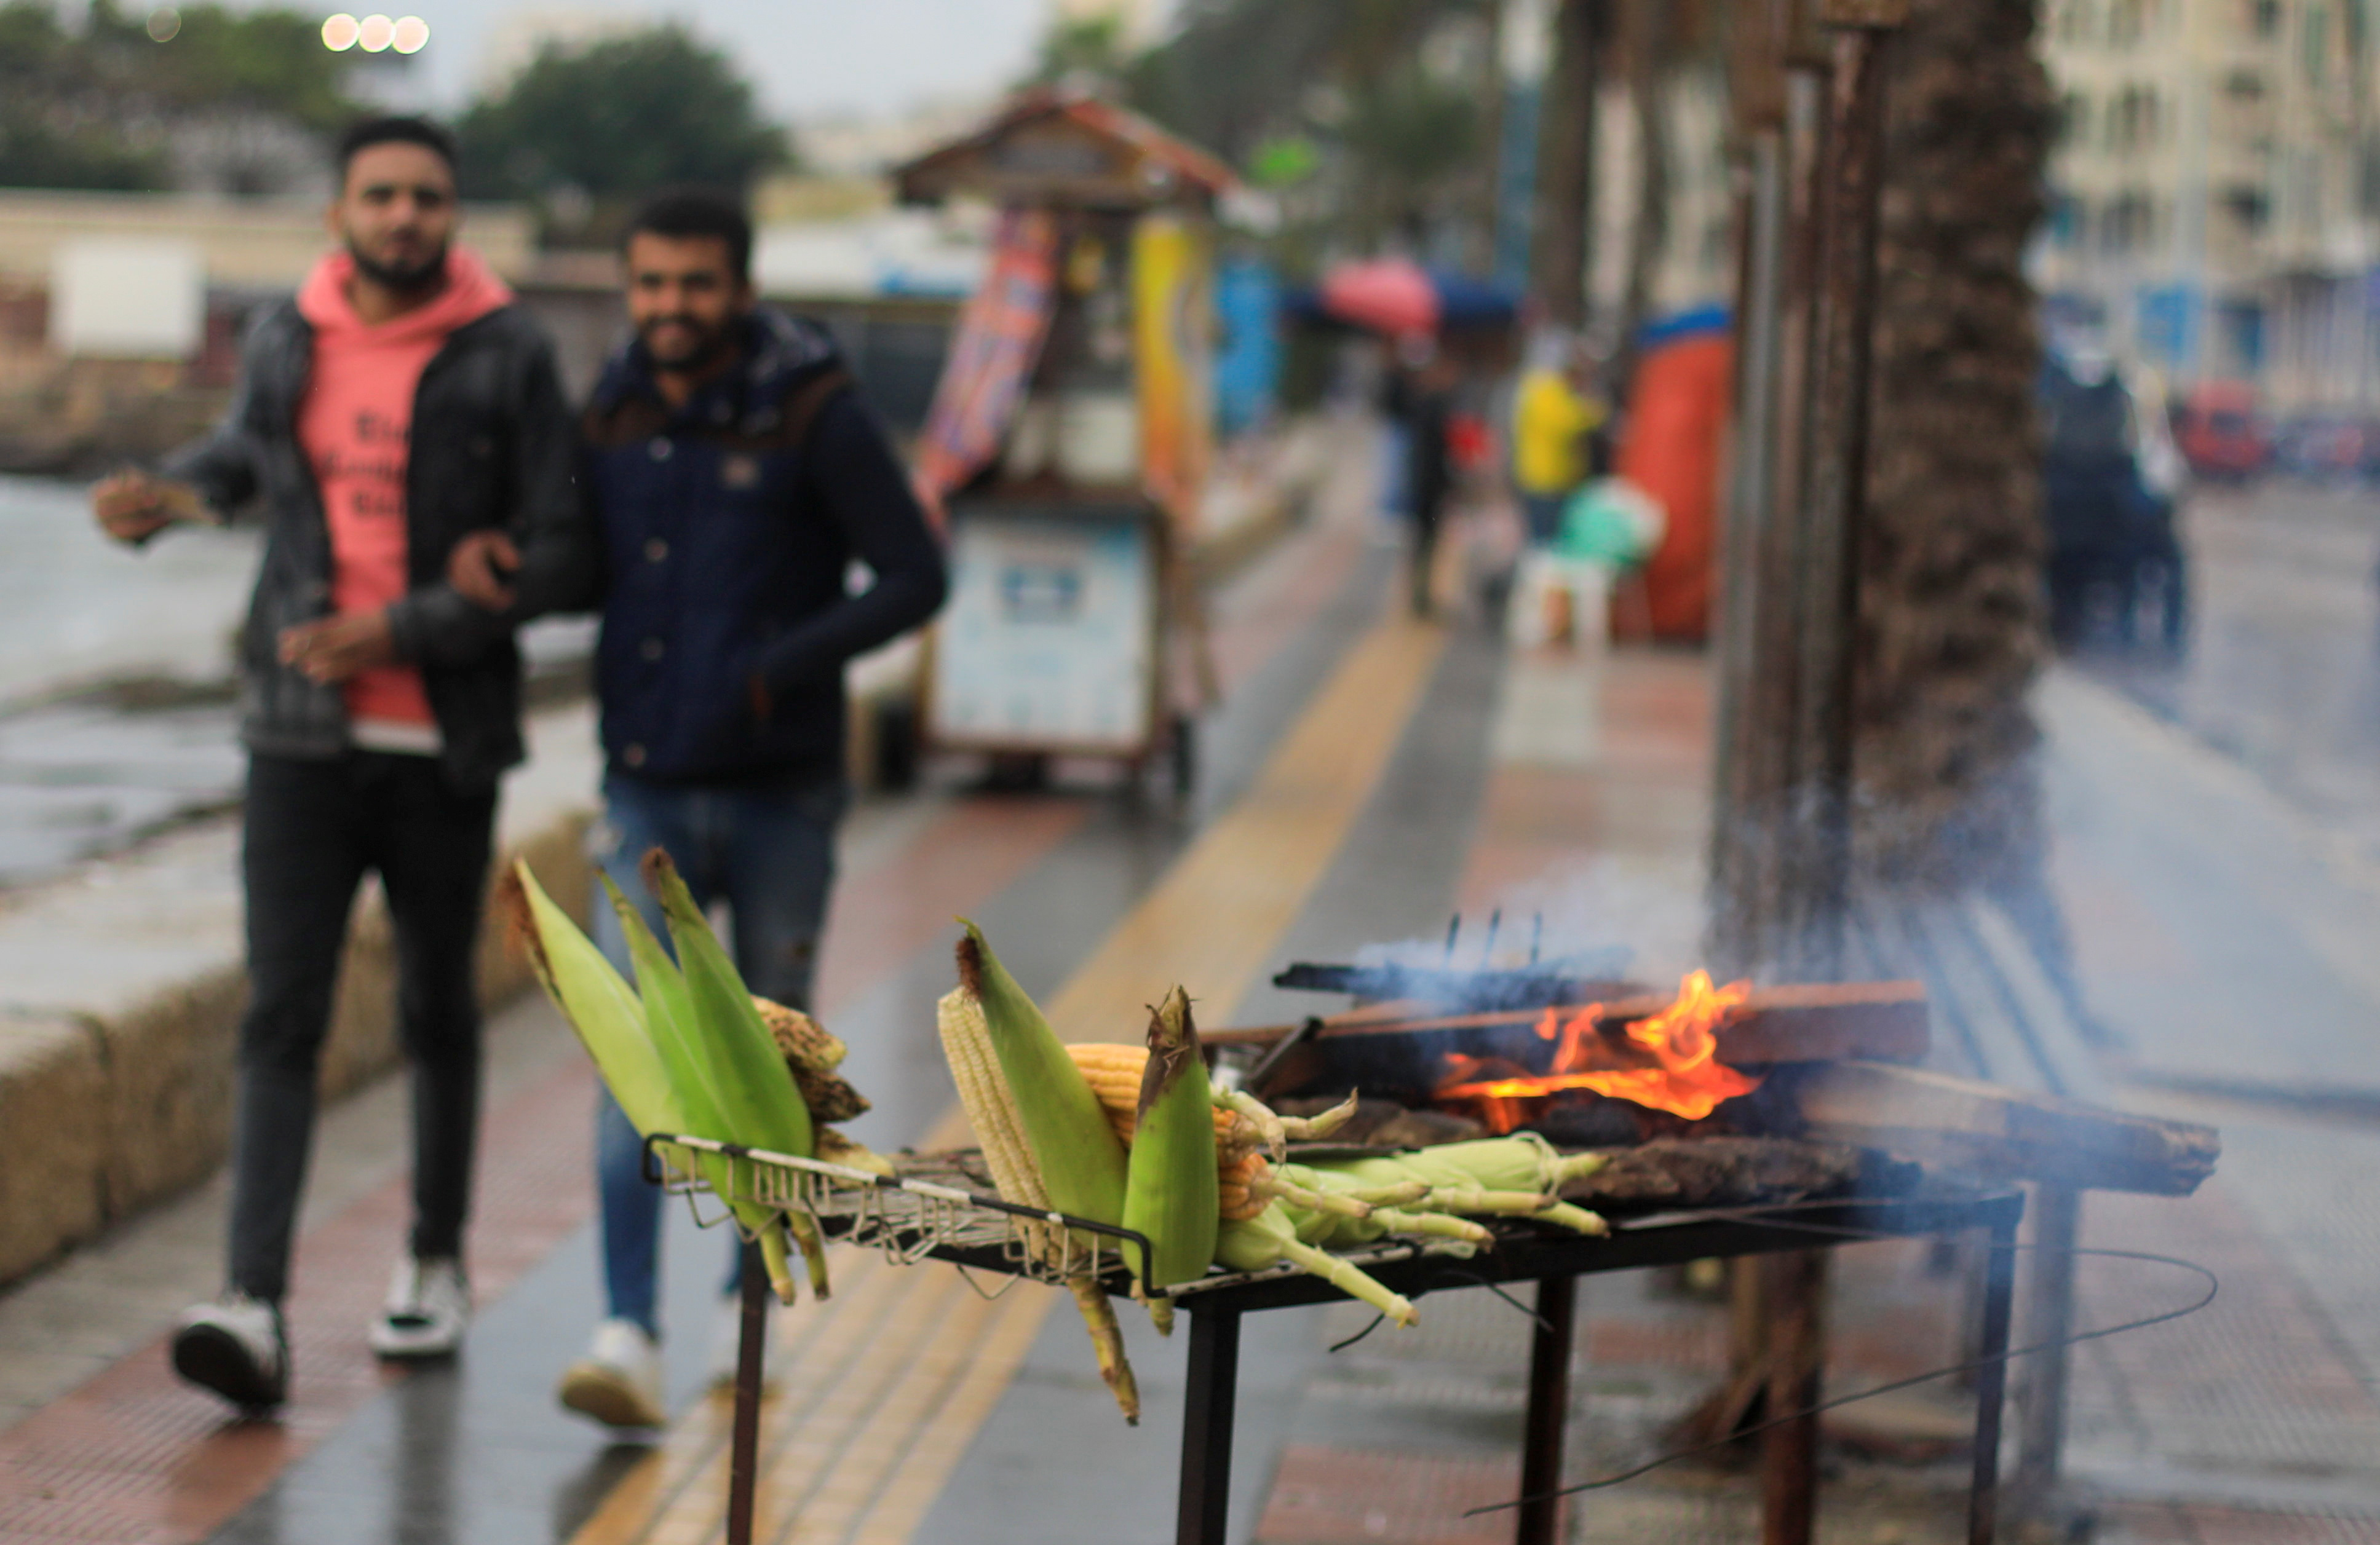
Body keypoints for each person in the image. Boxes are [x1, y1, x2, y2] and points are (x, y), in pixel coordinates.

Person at [90, 116, 590, 1411]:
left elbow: (565, 544)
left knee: (436, 1009)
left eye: (427, 197)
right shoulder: (286, 331)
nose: (404, 217)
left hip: (442, 736)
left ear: (454, 215)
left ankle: (435, 1256)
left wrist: (412, 623)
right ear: (341, 213)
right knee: (281, 1012)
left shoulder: (511, 350)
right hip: (298, 735)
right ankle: (252, 1298)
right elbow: (249, 459)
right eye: (381, 196)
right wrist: (166, 494)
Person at [448, 189, 947, 1428]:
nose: (673, 308)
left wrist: (788, 660)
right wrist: (504, 572)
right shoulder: (613, 407)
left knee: (771, 1067)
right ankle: (628, 1324)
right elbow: (579, 566)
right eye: (653, 284)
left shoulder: (813, 406)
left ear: (741, 283)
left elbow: (917, 574)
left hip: (784, 792)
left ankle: (752, 1301)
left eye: (696, 285)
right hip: (648, 787)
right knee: (641, 1067)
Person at [1512, 333, 1605, 547]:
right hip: (1545, 483)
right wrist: (1596, 411)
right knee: (1545, 546)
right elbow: (1566, 424)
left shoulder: (1553, 389)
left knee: (1557, 544)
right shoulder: (1544, 388)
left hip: (1560, 482)